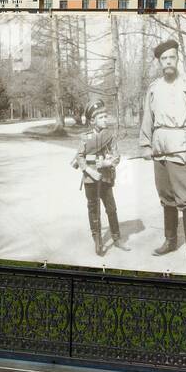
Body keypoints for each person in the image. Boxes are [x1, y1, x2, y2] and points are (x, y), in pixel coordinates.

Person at [139, 38, 186, 264]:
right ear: (159, 62)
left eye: (172, 57)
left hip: (181, 143)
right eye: (164, 58)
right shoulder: (154, 88)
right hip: (159, 145)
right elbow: (147, 118)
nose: (168, 61)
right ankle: (170, 241)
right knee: (166, 196)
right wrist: (145, 144)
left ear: (178, 58)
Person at [71, 101, 127, 257]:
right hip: (90, 179)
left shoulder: (110, 136)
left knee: (111, 208)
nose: (105, 119)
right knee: (93, 209)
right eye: (101, 117)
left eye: (105, 116)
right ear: (92, 120)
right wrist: (90, 169)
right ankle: (97, 240)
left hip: (106, 177)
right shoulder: (85, 137)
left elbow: (116, 156)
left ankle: (117, 238)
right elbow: (80, 157)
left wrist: (109, 162)